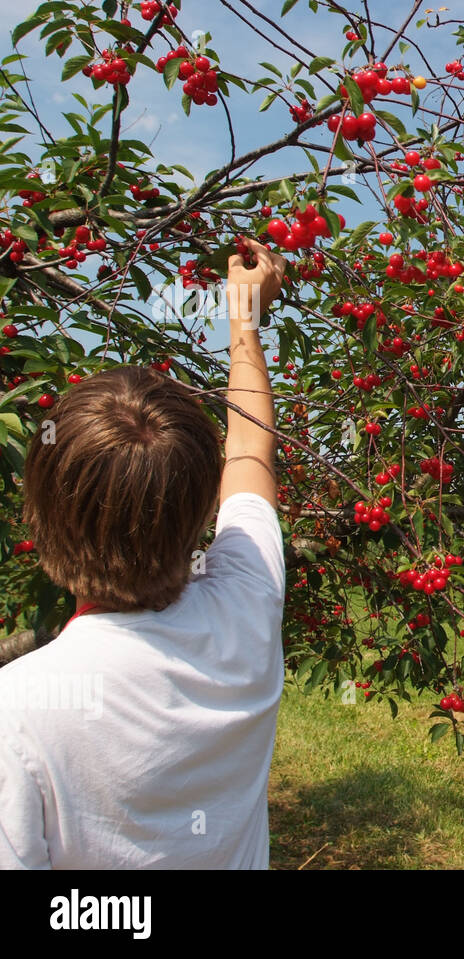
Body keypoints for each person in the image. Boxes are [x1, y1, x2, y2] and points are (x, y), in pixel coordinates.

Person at [0, 239, 289, 868]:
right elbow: (250, 452)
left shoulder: (17, 711)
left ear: (38, 518)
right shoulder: (247, 610)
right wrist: (244, 320)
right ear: (199, 519)